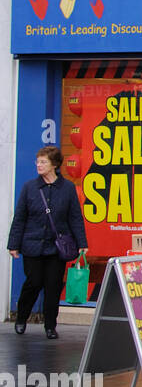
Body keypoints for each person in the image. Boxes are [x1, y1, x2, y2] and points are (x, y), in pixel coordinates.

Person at [7, 145, 87, 339]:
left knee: (53, 286)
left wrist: (81, 242)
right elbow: (20, 217)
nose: (39, 165)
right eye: (38, 161)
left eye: (43, 162)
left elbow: (75, 217)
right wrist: (13, 244)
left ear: (54, 165)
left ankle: (50, 325)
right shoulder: (29, 188)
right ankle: (21, 318)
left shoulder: (67, 188)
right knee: (33, 282)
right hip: (32, 244)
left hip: (56, 247)